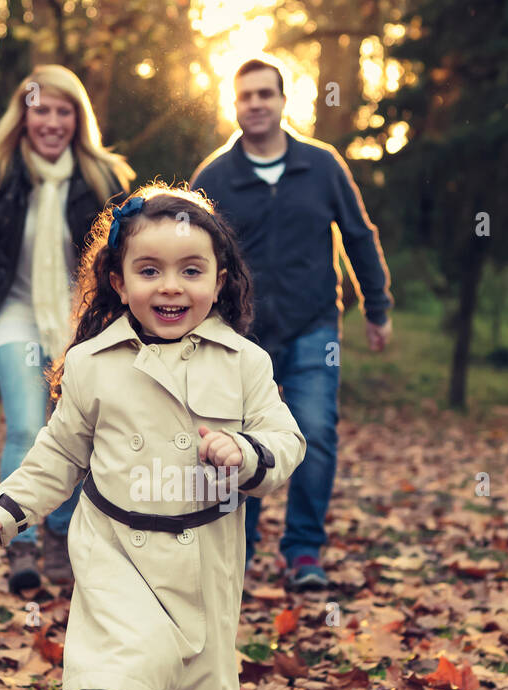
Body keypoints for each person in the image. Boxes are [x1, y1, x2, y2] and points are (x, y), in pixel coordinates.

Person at [0, 185, 305, 690]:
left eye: (191, 269)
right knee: (130, 663)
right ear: (118, 282)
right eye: (149, 270)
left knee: (175, 683)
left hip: (203, 550)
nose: (170, 286)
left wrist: (245, 451)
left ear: (219, 280)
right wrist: (10, 508)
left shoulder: (244, 364)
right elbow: (60, 450)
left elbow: (286, 440)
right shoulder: (95, 365)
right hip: (117, 544)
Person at [190, 56, 394, 590]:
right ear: (233, 106)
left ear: (283, 101)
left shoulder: (321, 166)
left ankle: (303, 552)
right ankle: (241, 548)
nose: (255, 104)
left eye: (265, 94)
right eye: (244, 96)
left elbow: (358, 234)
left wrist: (378, 306)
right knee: (237, 441)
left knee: (316, 434)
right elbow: (187, 253)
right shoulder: (214, 177)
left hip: (313, 327)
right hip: (239, 334)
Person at [0, 65, 134, 595]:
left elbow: (124, 253)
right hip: (14, 311)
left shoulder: (105, 177)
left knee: (72, 430)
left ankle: (59, 535)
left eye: (63, 110)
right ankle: (18, 538)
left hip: (82, 317)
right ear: (22, 116)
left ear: (78, 117)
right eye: (41, 109)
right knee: (27, 427)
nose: (52, 121)